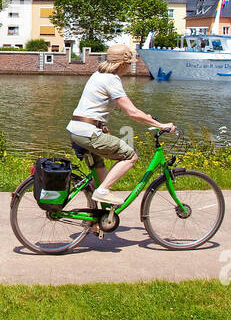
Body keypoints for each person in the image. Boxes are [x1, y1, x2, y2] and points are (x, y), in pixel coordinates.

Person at [65, 43, 173, 206]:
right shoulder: (111, 80)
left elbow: (121, 107)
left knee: (99, 166)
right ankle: (102, 191)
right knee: (130, 155)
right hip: (88, 133)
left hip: (76, 130)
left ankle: (100, 218)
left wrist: (147, 117)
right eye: (130, 64)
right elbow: (132, 112)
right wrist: (160, 125)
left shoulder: (98, 74)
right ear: (123, 64)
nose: (130, 67)